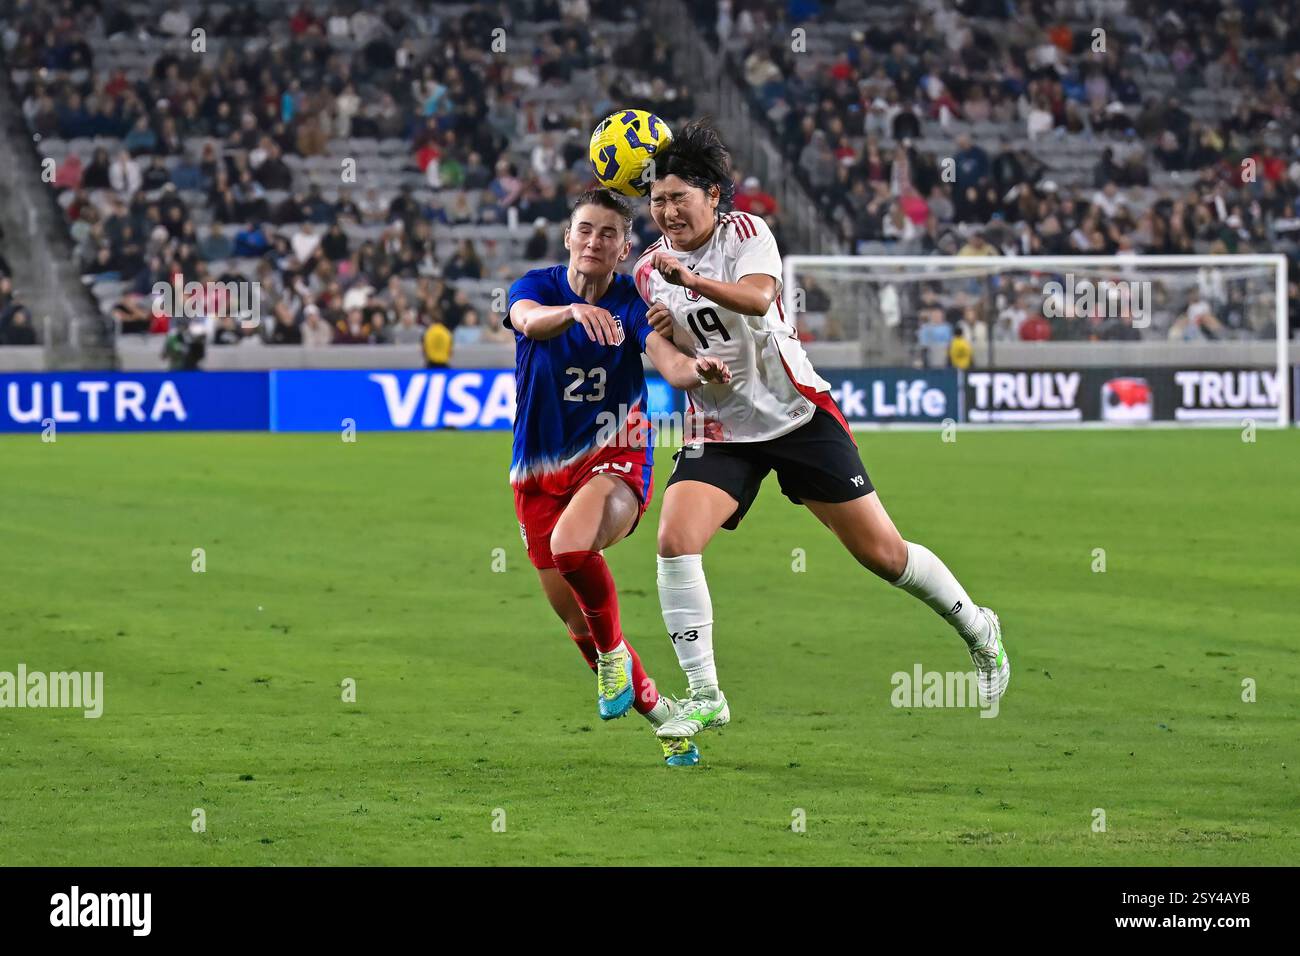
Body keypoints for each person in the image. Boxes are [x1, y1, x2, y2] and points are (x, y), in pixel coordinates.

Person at [634, 121, 1009, 742]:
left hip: (798, 416)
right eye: (658, 200)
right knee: (675, 538)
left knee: (883, 555)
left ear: (713, 197)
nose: (667, 211)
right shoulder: (650, 270)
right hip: (721, 425)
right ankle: (705, 695)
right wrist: (680, 352)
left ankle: (978, 627)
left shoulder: (748, 235)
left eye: (680, 197)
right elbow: (674, 346)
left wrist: (690, 282)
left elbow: (757, 300)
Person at [507, 188, 732, 767]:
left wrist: (693, 367)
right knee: (578, 622)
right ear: (568, 237)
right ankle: (667, 718)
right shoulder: (537, 286)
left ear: (624, 247)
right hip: (538, 473)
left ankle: (613, 660)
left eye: (608, 234)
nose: (594, 241)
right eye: (585, 229)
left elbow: (667, 358)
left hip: (617, 454)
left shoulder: (633, 301)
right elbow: (526, 321)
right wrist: (573, 313)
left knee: (571, 547)